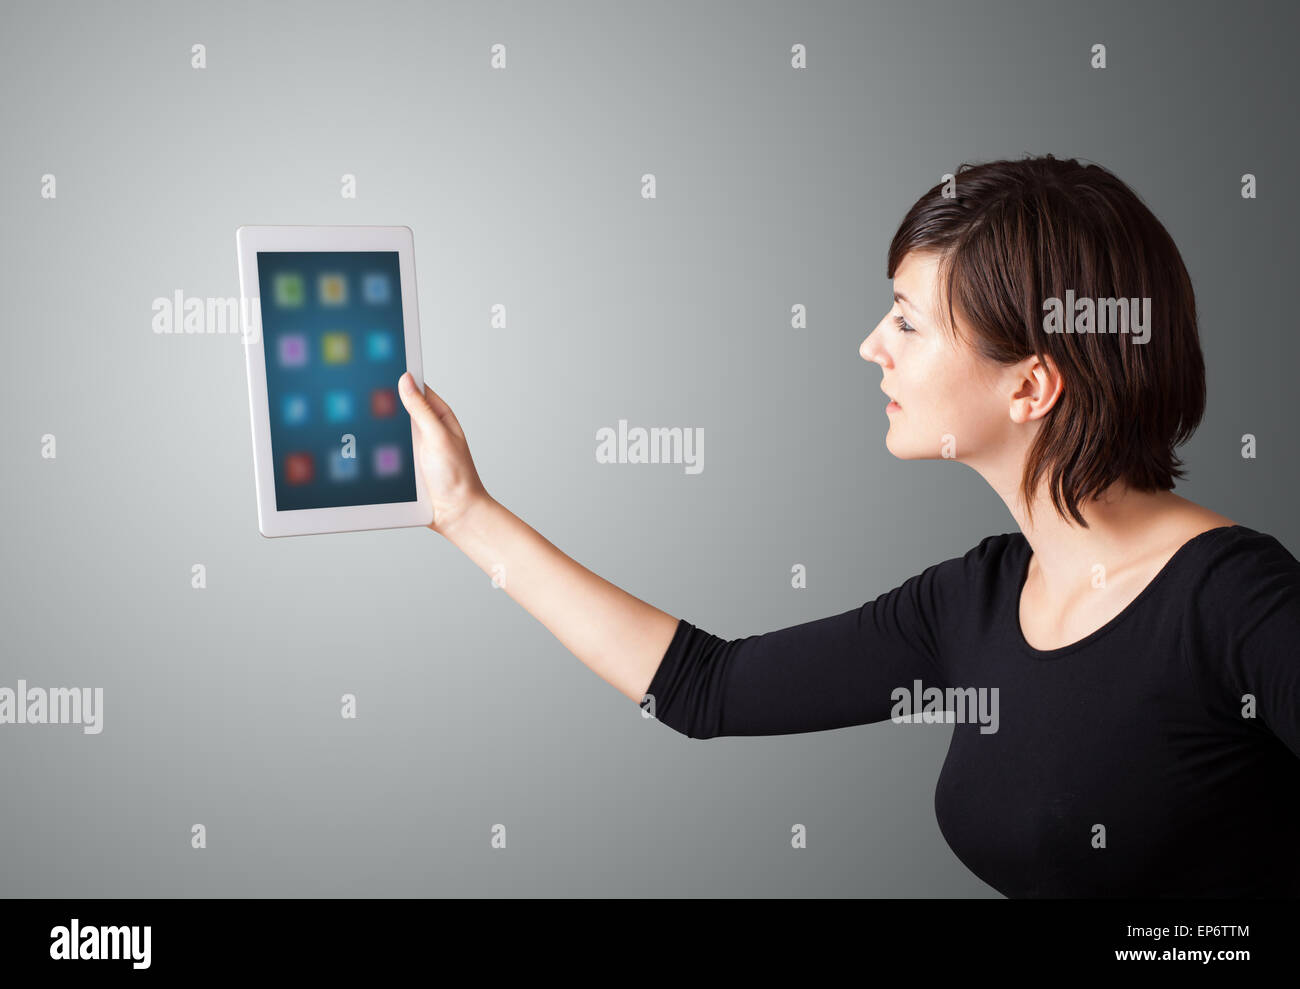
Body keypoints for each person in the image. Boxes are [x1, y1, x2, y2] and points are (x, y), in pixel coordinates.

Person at [395, 154, 1300, 898]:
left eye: (907, 321)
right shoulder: (978, 599)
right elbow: (706, 689)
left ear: (1030, 384)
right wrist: (464, 512)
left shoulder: (1240, 606)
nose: (873, 344)